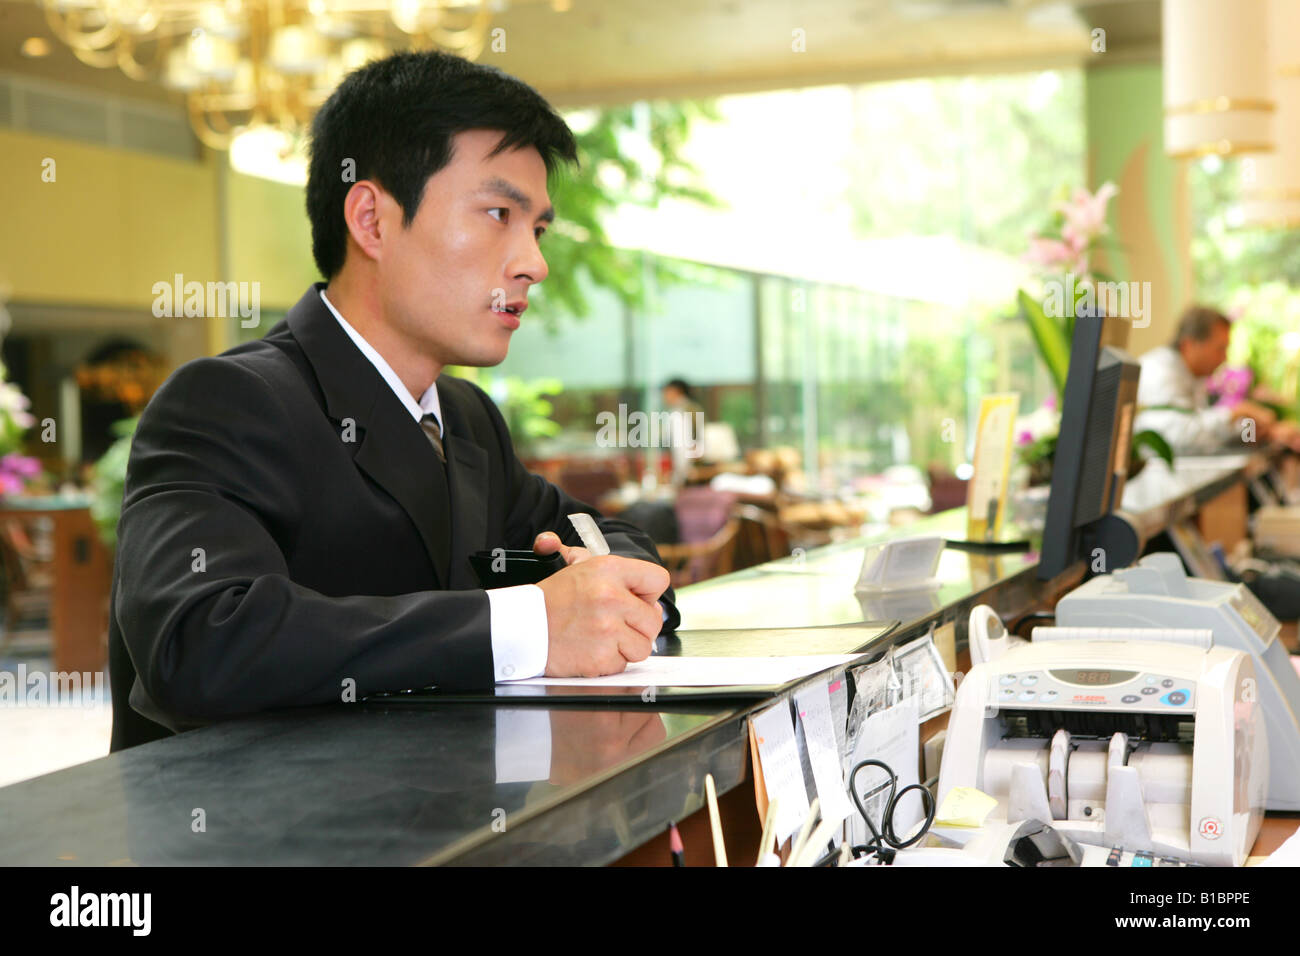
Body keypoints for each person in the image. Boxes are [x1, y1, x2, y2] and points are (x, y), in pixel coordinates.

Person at [108, 51, 679, 751]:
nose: (534, 262)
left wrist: (601, 582)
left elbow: (598, 532)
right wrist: (527, 624)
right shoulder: (228, 401)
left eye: (538, 228)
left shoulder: (464, 418)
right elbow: (198, 641)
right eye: (499, 213)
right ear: (372, 220)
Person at [1135, 305, 1300, 455]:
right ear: (1189, 345)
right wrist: (1234, 412)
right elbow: (1175, 438)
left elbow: (1206, 433)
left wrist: (1257, 432)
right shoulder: (1159, 373)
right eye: (1220, 349)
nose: (1224, 358)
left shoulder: (1193, 377)